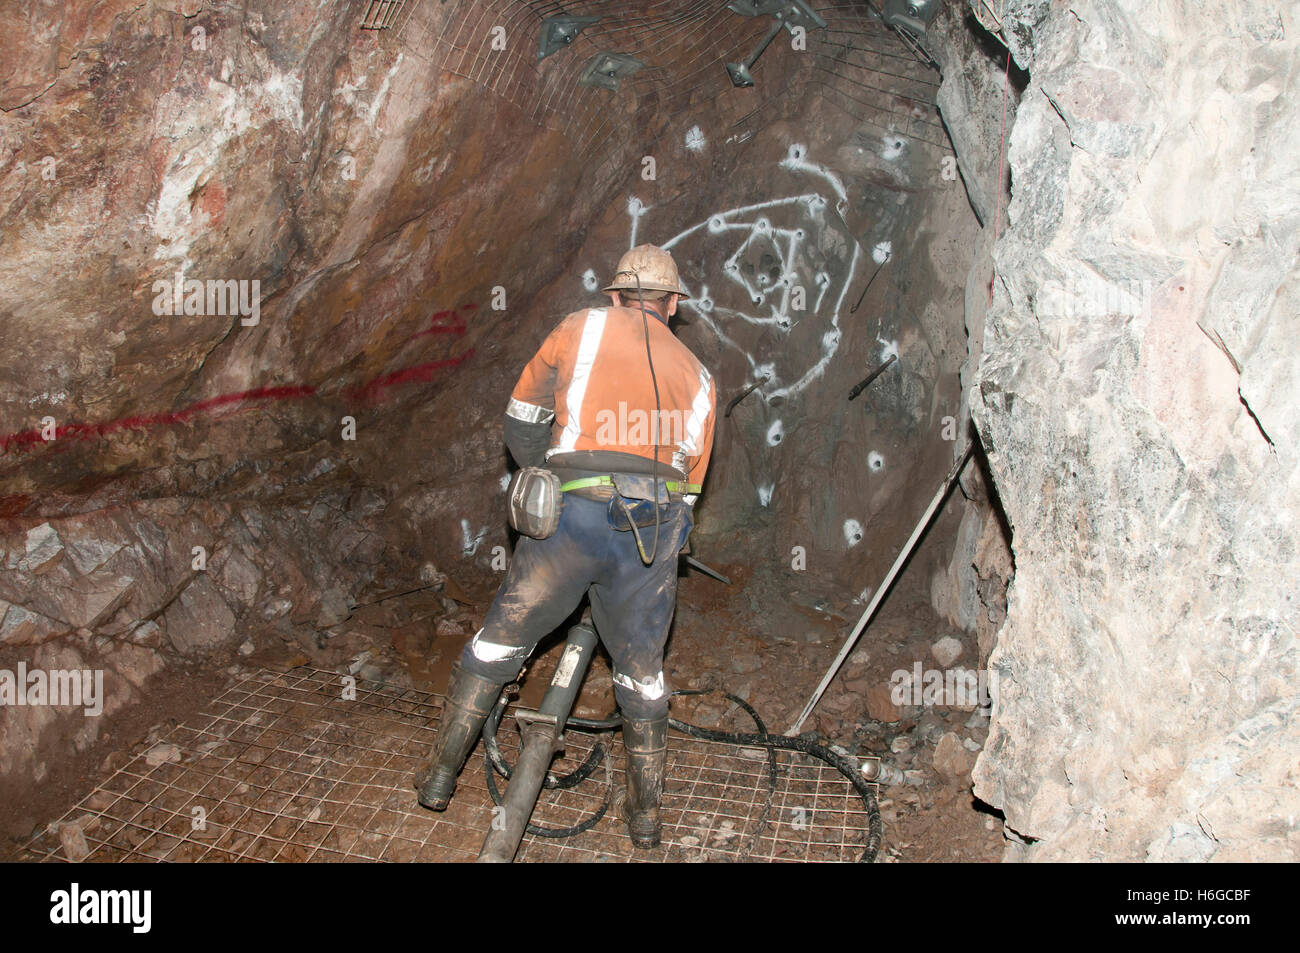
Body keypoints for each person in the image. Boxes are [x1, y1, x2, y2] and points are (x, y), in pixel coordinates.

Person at [415, 244, 716, 848]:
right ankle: (646, 817)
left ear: (613, 294)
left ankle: (441, 776)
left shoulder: (578, 328)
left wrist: (543, 478)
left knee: (500, 640)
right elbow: (689, 491)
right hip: (650, 534)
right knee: (642, 674)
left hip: (570, 521)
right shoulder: (701, 377)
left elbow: (522, 416)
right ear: (673, 304)